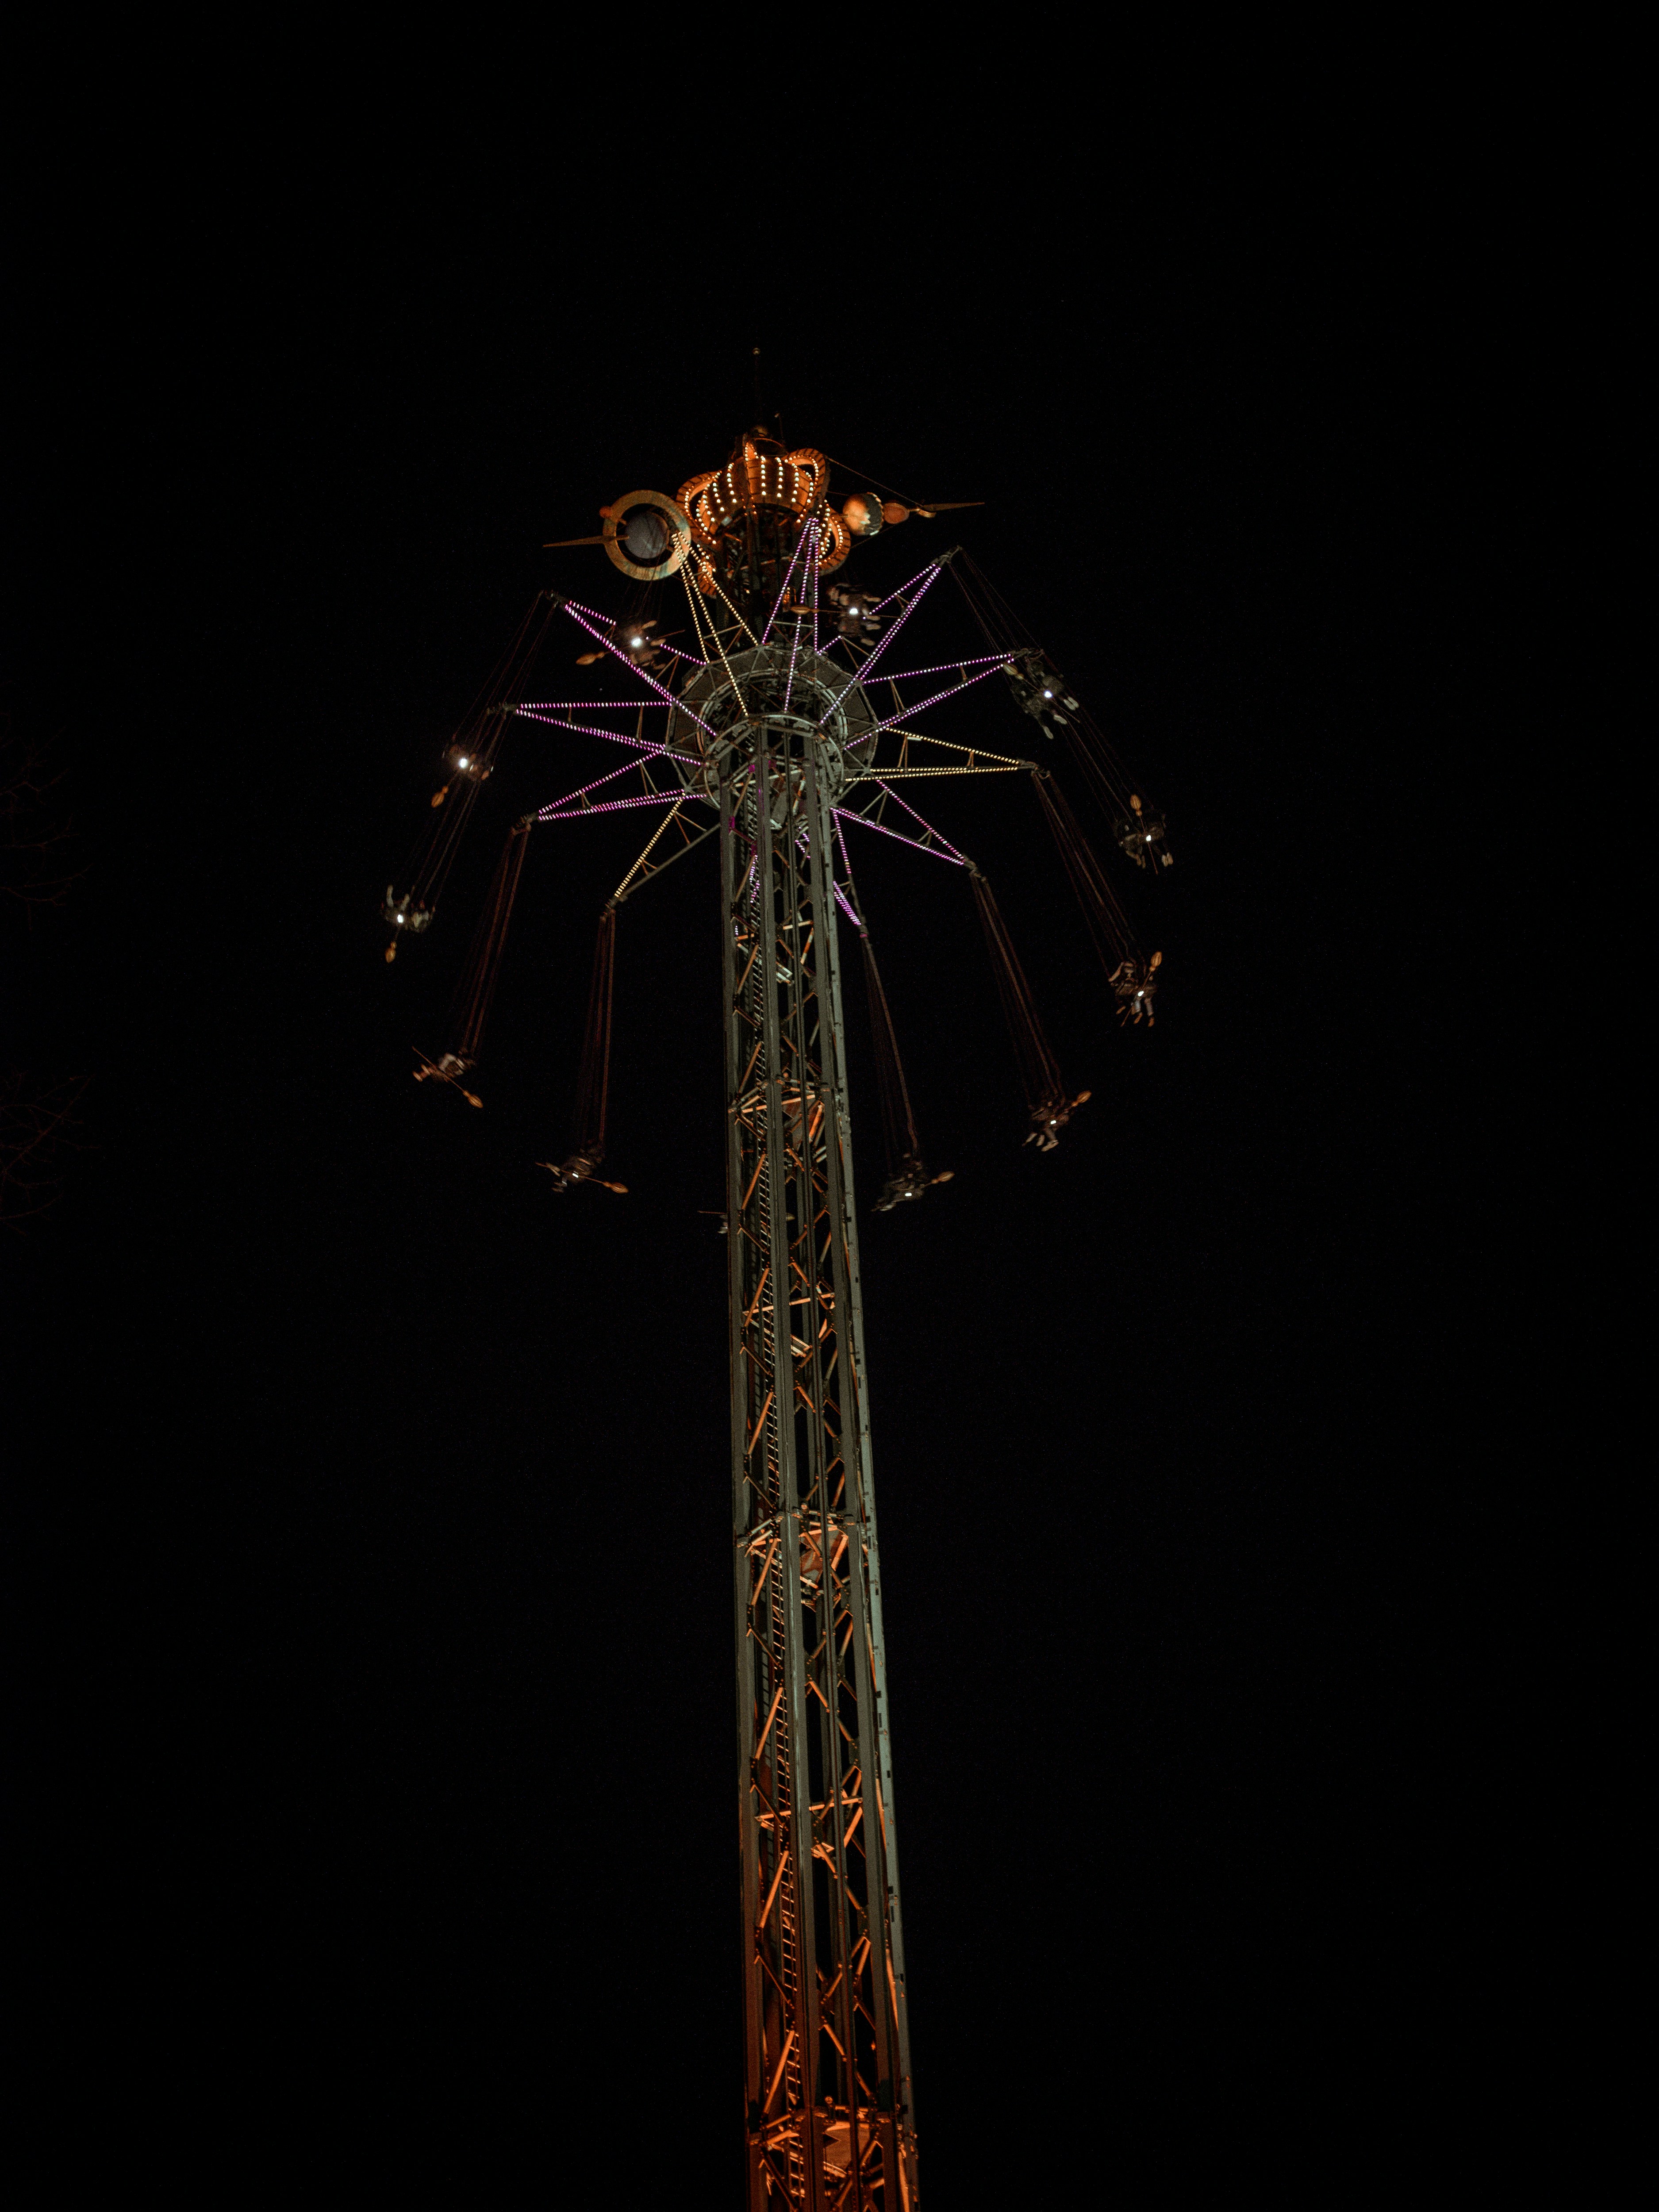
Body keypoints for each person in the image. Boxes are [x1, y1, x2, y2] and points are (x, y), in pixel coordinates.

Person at [537, 1143, 626, 1196]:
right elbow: (574, 1160)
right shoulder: (583, 1156)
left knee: (572, 1174)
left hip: (578, 1175)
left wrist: (609, 1185)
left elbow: (588, 1171)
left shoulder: (593, 1162)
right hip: (575, 1169)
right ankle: (559, 1172)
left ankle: (561, 1179)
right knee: (571, 1165)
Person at [872, 1156, 954, 1212]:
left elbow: (923, 1181)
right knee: (889, 1185)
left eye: (917, 1163)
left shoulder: (923, 1172)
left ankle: (891, 1202)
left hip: (915, 1191)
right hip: (905, 1184)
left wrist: (930, 1182)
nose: (915, 1164)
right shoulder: (909, 1166)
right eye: (914, 1163)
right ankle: (884, 1200)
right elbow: (902, 1173)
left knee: (901, 1195)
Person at [413, 1050, 482, 1108]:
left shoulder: (444, 1067)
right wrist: (449, 1076)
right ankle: (427, 1072)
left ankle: (427, 1072)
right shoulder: (445, 1069)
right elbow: (449, 1064)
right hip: (451, 1067)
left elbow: (448, 1059)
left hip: (449, 1066)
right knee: (440, 1067)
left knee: (439, 1067)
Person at [1025, 1090, 1091, 1150]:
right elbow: (1058, 1107)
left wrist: (1057, 1117)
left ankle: (1051, 1140)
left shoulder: (1071, 1110)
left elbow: (1063, 1117)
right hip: (1054, 1118)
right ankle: (1041, 1136)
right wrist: (1054, 1112)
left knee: (1047, 1125)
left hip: (1056, 1121)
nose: (1075, 1104)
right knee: (1044, 1124)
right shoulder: (1067, 1102)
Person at [1110, 950, 1162, 1025]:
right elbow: (1149, 979)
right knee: (1146, 1001)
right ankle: (1150, 1017)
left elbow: (1147, 979)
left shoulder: (1142, 969)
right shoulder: (1144, 969)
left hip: (1147, 988)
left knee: (1138, 999)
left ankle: (1140, 1013)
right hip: (1149, 988)